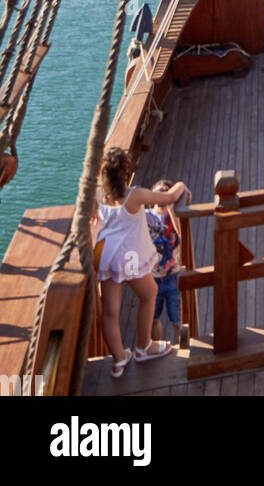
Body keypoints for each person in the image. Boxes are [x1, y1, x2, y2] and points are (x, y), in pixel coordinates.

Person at [93, 147, 189, 379]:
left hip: (107, 257)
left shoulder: (96, 194)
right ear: (127, 170)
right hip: (130, 258)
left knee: (110, 313)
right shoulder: (134, 196)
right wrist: (181, 185)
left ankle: (118, 360)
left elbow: (90, 215)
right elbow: (168, 198)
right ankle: (143, 346)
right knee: (149, 294)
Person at [146, 179, 183, 345]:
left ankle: (184, 348)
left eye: (165, 193)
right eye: (157, 193)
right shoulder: (145, 216)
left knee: (178, 321)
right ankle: (158, 348)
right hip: (152, 278)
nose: (161, 197)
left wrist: (170, 206)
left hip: (173, 277)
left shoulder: (174, 217)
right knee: (153, 318)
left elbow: (180, 233)